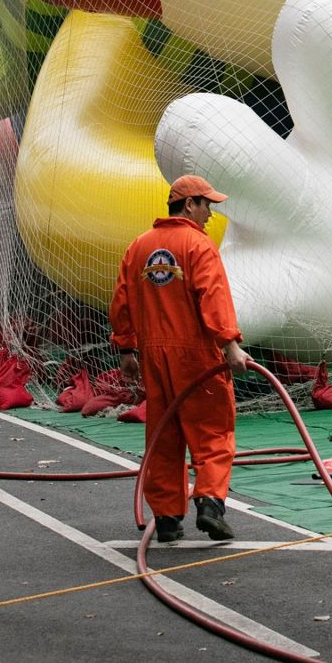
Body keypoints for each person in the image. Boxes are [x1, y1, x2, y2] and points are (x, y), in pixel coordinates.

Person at [109, 174, 250, 544]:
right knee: (214, 431)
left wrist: (127, 349)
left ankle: (168, 517)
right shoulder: (198, 246)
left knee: (164, 433)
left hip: (154, 356)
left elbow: (121, 300)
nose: (211, 214)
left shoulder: (139, 246)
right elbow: (213, 296)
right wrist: (230, 344)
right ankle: (209, 503)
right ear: (189, 204)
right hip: (196, 355)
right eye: (207, 205)